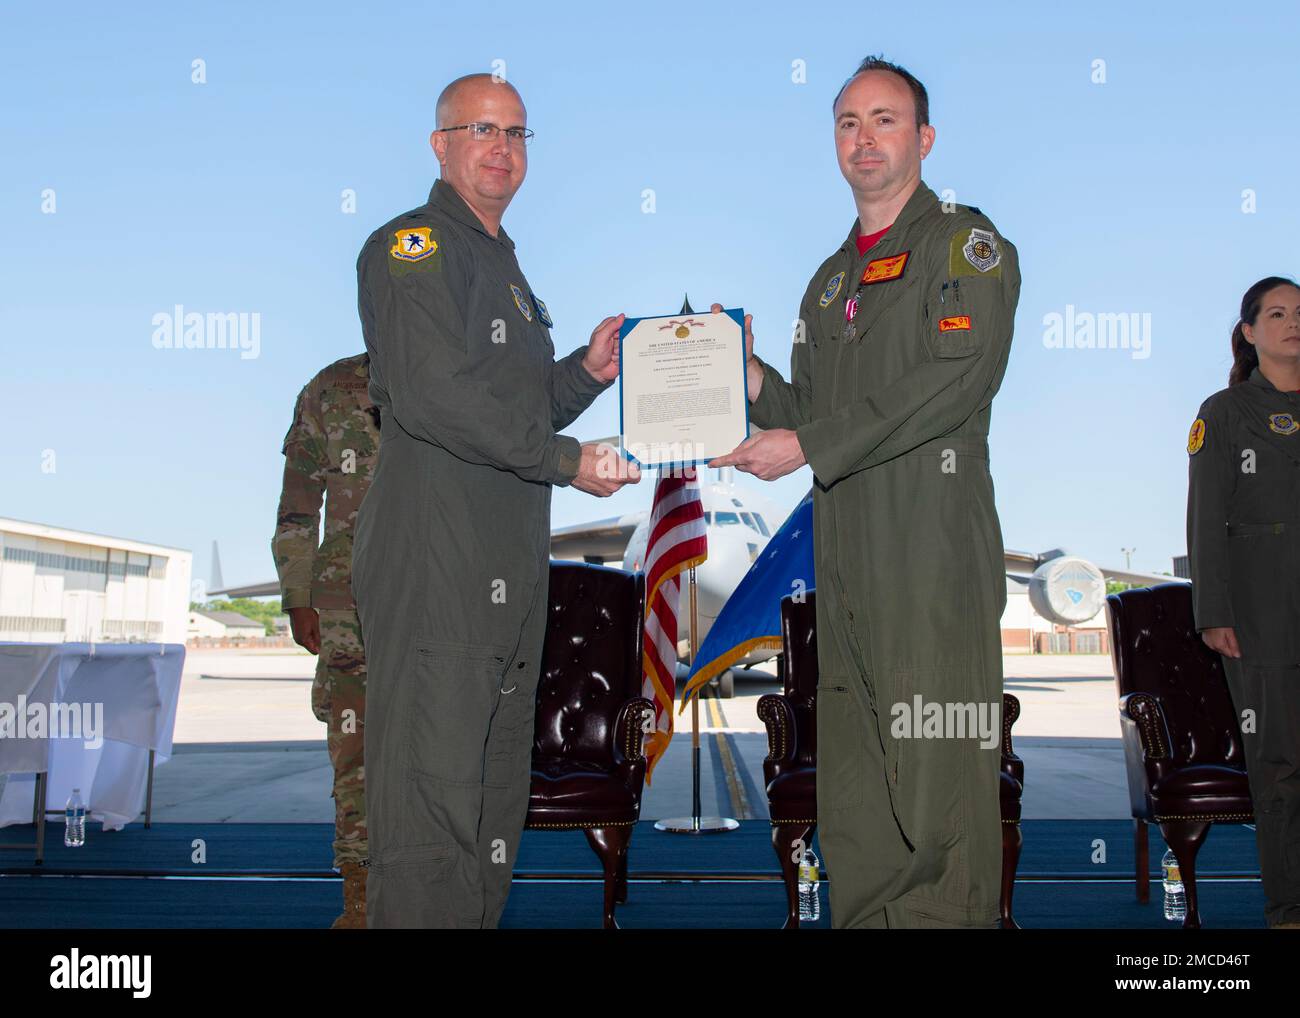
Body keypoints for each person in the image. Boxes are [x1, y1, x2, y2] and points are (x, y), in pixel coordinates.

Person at [710, 56, 1021, 928]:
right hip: (841, 561)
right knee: (857, 792)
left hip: (929, 554)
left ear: (923, 139)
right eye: (848, 122)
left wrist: (805, 440)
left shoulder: (963, 246)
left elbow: (954, 376)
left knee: (936, 789)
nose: (864, 138)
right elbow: (816, 412)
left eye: (885, 120)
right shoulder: (828, 280)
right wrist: (750, 374)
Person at [352, 73, 639, 928]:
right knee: (430, 815)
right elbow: (432, 394)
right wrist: (565, 460)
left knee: (485, 815)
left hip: (504, 580)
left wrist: (585, 376)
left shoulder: (504, 268)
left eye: (516, 133)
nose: (502, 148)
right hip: (441, 569)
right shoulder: (415, 249)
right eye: (481, 130)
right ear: (439, 146)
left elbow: (509, 410)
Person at [1186, 275, 1300, 929]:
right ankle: (1289, 907)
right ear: (1250, 332)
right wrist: (1214, 613)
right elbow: (1206, 520)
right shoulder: (1223, 414)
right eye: (1276, 313)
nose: (1292, 323)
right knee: (1280, 763)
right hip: (1261, 618)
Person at [272, 352, 378, 929]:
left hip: (439, 601)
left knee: (441, 750)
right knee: (354, 755)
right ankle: (359, 899)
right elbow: (296, 506)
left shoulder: (449, 371)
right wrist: (298, 594)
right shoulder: (331, 387)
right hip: (346, 605)